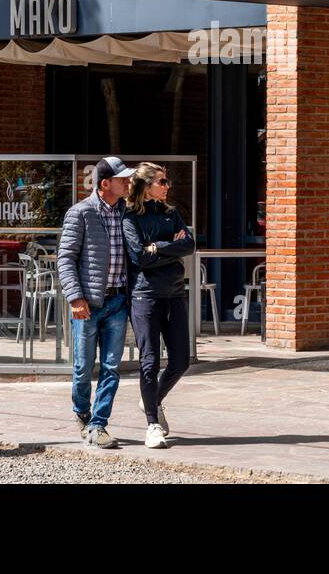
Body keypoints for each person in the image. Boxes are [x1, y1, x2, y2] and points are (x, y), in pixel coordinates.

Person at [57, 156, 135, 449]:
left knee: (112, 367)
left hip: (118, 302)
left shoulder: (128, 212)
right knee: (83, 368)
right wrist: (76, 298)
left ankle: (98, 424)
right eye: (122, 179)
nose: (127, 183)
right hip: (87, 305)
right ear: (106, 183)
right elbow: (65, 259)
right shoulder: (81, 213)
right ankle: (82, 412)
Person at [122, 162, 195, 449]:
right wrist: (166, 247)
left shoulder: (170, 213)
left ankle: (151, 399)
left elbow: (188, 245)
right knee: (149, 360)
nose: (167, 187)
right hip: (145, 295)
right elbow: (139, 258)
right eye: (162, 182)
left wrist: (157, 247)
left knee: (181, 360)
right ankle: (152, 424)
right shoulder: (130, 218)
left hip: (175, 293)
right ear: (146, 186)